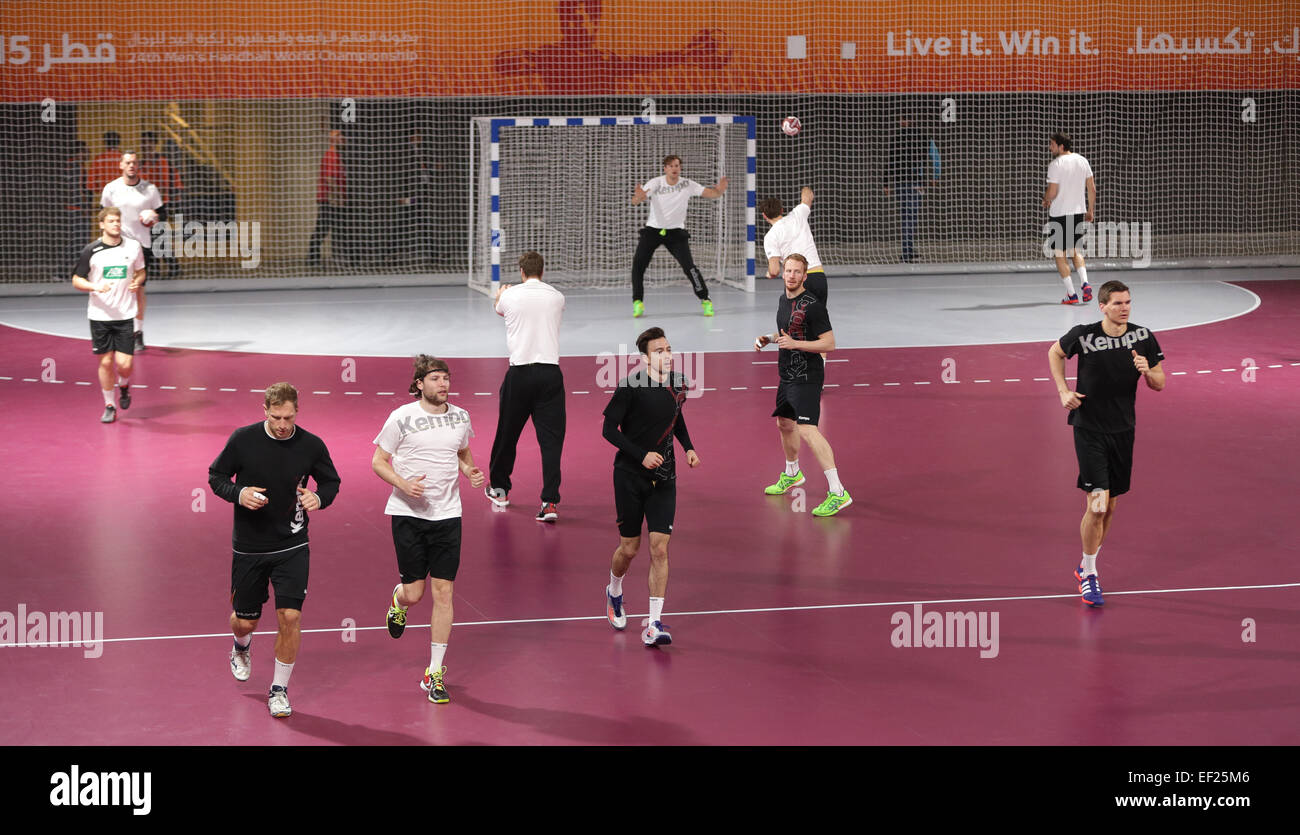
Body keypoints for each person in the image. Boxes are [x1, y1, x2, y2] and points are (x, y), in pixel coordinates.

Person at [208, 383, 341, 718]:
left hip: (293, 543)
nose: (283, 423)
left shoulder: (311, 445)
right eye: (277, 416)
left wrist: (319, 498)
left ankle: (279, 690)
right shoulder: (243, 439)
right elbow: (216, 476)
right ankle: (240, 647)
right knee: (244, 622)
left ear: (297, 411)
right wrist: (239, 494)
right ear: (264, 409)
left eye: (289, 416)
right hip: (250, 547)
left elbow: (330, 482)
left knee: (290, 617)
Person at [1047, 280, 1165, 607]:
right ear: (1102, 307)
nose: (1124, 307)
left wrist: (1147, 372)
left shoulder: (1142, 337)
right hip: (1089, 428)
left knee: (1110, 505)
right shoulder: (1084, 335)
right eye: (1117, 303)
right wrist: (1063, 390)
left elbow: (1160, 383)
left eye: (1128, 302)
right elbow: (1055, 352)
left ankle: (1085, 564)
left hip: (1124, 430)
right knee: (1096, 504)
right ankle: (1089, 573)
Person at [373, 356, 483, 704]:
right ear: (419, 383)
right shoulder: (401, 418)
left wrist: (471, 472)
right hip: (408, 514)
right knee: (415, 592)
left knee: (444, 593)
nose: (443, 384)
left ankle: (433, 672)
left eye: (446, 378)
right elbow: (378, 461)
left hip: (448, 516)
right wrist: (403, 484)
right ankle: (398, 601)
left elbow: (464, 454)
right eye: (435, 378)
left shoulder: (460, 417)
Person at [601, 327, 701, 647]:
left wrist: (688, 447)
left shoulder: (678, 384)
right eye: (659, 351)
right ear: (644, 358)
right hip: (629, 476)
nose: (667, 356)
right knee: (629, 549)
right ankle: (614, 589)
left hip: (665, 478)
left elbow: (676, 417)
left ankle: (653, 623)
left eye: (669, 349)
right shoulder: (630, 387)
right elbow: (608, 430)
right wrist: (640, 455)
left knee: (659, 548)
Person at [753, 254, 852, 517]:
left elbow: (829, 344)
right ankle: (792, 473)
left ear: (805, 276)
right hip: (786, 373)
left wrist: (796, 345)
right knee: (784, 423)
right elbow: (788, 332)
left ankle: (838, 492)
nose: (792, 275)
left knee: (807, 429)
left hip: (807, 374)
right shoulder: (783, 300)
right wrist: (769, 338)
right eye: (788, 271)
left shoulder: (814, 306)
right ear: (783, 273)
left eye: (797, 272)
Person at [487, 251, 567, 522]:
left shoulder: (509, 296)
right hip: (550, 375)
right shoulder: (557, 297)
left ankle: (500, 491)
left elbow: (500, 311)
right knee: (551, 442)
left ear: (521, 271)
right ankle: (550, 502)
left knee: (506, 436)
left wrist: (500, 294)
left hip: (519, 375)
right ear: (543, 272)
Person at [70, 207, 145, 423]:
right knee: (105, 362)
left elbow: (141, 271)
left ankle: (124, 386)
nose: (116, 224)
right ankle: (109, 405)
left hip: (124, 315)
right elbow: (77, 279)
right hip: (99, 315)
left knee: (125, 364)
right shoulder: (91, 251)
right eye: (111, 221)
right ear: (102, 224)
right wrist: (95, 286)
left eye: (118, 221)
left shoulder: (133, 246)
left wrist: (137, 281)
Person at [630, 154, 727, 318]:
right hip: (653, 231)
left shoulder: (687, 184)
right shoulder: (656, 183)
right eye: (671, 166)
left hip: (675, 233)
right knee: (638, 266)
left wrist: (719, 190)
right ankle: (637, 302)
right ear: (665, 168)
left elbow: (712, 194)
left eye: (677, 166)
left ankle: (705, 300)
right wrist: (639, 195)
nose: (675, 169)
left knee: (690, 268)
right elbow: (636, 201)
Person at [100, 151, 163, 351]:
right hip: (117, 247)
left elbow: (163, 212)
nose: (131, 166)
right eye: (128, 162)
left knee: (138, 291)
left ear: (139, 166)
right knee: (115, 289)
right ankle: (116, 330)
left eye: (135, 163)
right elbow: (104, 216)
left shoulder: (150, 189)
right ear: (121, 165)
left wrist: (154, 216)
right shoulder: (111, 189)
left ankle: (138, 332)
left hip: (141, 247)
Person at [1042, 131, 1096, 304]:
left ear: (1061, 146)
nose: (1050, 147)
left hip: (1059, 214)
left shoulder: (1055, 164)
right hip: (1078, 212)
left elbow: (1052, 191)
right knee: (1076, 251)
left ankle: (1072, 295)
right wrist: (1090, 210)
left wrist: (1046, 200)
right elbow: (1092, 189)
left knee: (1060, 254)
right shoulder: (1083, 161)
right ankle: (1085, 283)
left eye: (1052, 144)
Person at [883, 116, 940, 263]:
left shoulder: (897, 139)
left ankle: (907, 251)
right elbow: (936, 157)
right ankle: (908, 252)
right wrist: (935, 176)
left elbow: (890, 160)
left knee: (905, 217)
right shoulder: (924, 137)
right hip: (916, 182)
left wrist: (886, 183)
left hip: (901, 182)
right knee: (911, 217)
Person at [760, 187, 826, 304]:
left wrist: (770, 273)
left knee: (795, 321)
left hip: (797, 281)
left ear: (764, 216)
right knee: (819, 320)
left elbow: (774, 270)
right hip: (818, 277)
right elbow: (807, 195)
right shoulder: (798, 214)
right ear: (781, 210)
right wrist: (805, 188)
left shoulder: (770, 237)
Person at [139, 130, 183, 279]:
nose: (145, 145)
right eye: (143, 142)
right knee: (147, 239)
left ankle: (173, 267)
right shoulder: (140, 164)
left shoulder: (162, 162)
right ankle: (155, 270)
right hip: (143, 209)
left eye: (148, 142)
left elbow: (169, 185)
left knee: (159, 239)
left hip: (159, 207)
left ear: (154, 144)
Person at [307, 129, 347, 269]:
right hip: (328, 199)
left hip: (332, 198)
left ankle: (316, 259)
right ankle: (312, 259)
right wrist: (337, 198)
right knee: (323, 228)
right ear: (333, 139)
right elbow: (329, 179)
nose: (343, 138)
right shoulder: (331, 156)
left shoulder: (337, 155)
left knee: (336, 228)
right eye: (339, 135)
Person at [85, 131, 122, 196]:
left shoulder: (99, 159)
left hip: (106, 193)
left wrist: (97, 189)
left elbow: (91, 181)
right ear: (118, 142)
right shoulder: (124, 158)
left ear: (105, 142)